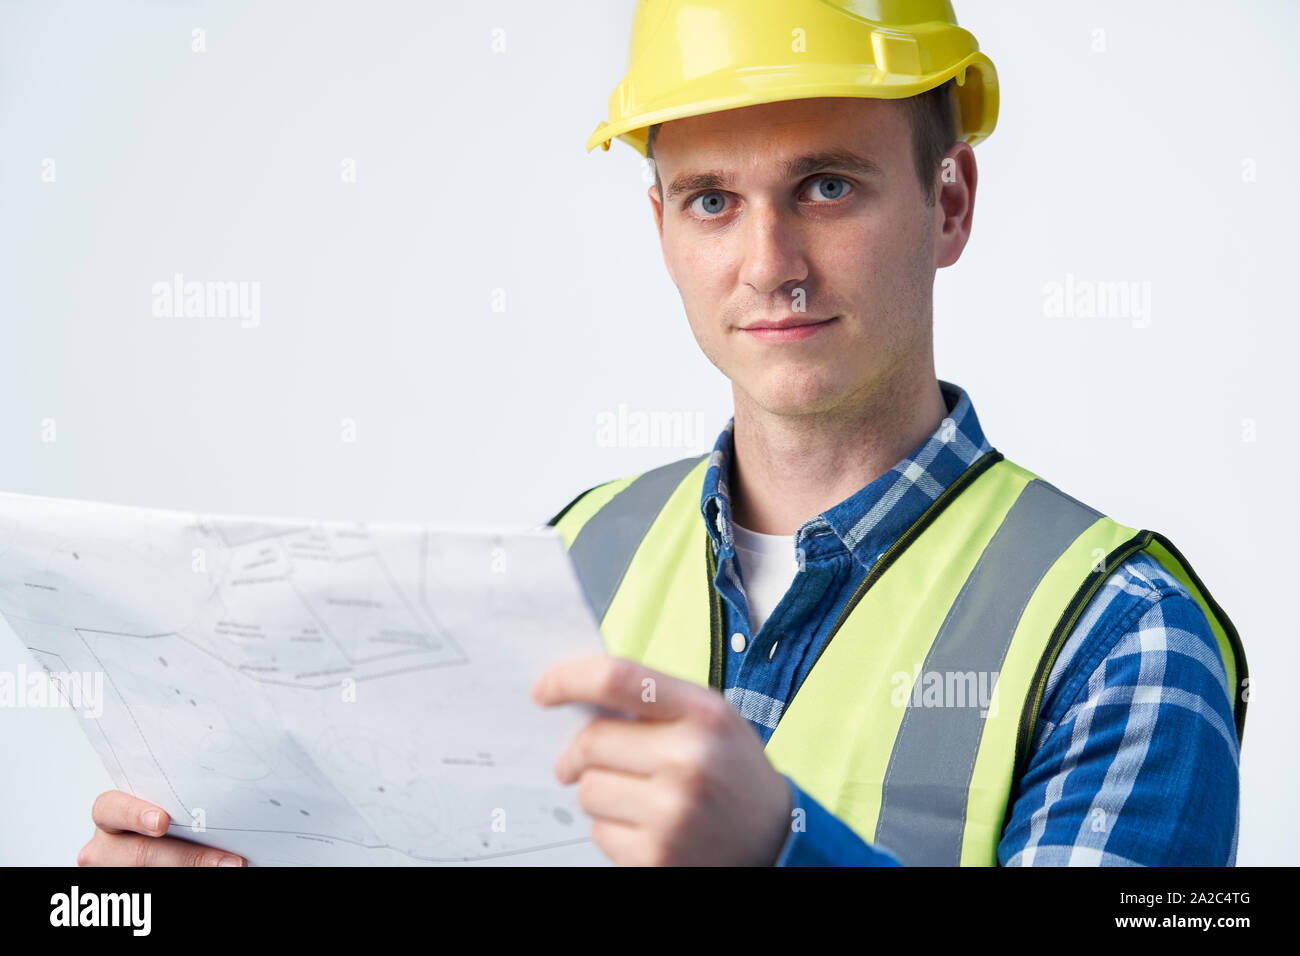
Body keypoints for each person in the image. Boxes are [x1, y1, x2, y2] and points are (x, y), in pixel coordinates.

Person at [77, 0, 1246, 868]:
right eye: (711, 200)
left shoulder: (1120, 633)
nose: (768, 264)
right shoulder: (568, 562)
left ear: (948, 203)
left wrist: (779, 849)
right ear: (659, 224)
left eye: (828, 186)